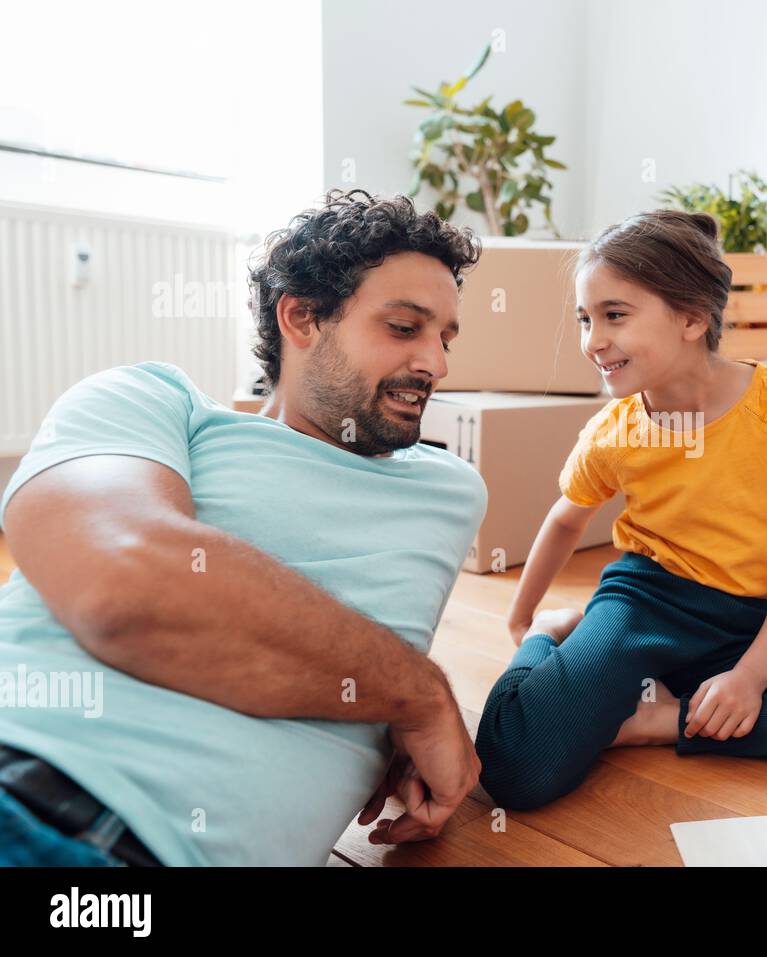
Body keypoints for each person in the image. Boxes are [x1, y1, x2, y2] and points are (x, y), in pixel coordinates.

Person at [0, 189, 487, 865]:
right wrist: (417, 694)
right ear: (302, 316)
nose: (436, 363)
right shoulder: (145, 402)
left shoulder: (450, 490)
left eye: (446, 337)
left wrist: (386, 702)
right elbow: (127, 589)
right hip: (22, 790)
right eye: (404, 328)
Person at [473, 209, 767, 810]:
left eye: (614, 315)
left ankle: (659, 720)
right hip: (643, 607)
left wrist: (751, 676)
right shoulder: (613, 432)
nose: (593, 341)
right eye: (586, 319)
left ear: (693, 317)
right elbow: (566, 517)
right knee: (514, 769)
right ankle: (559, 636)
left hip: (747, 626)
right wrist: (525, 621)